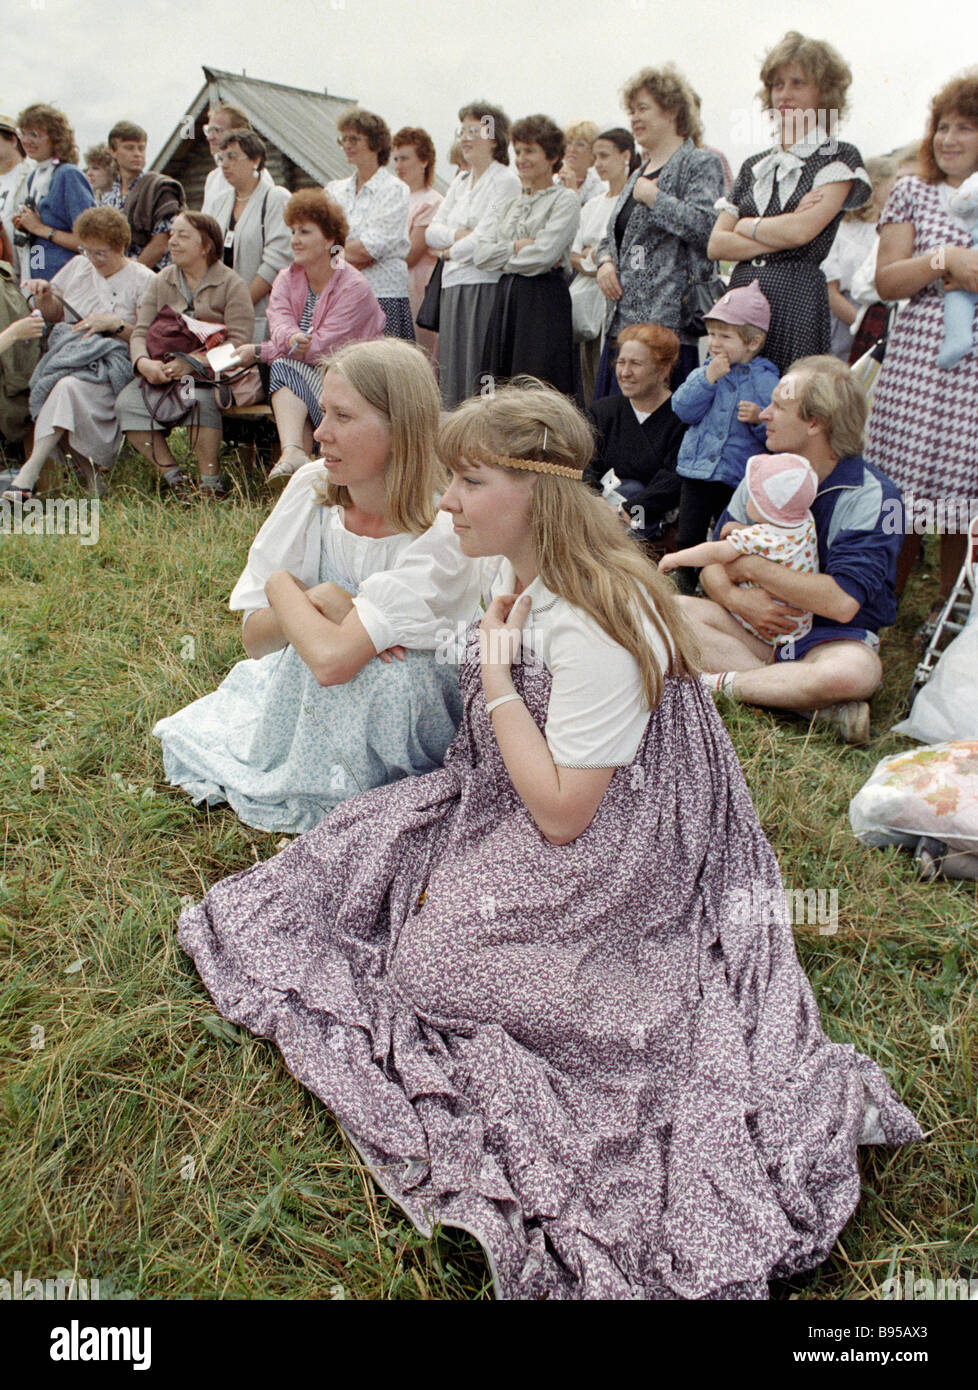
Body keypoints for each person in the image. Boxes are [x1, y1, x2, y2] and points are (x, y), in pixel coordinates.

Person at [177, 378, 920, 1301]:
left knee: (431, 968)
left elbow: (566, 813)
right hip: (515, 795)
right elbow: (425, 627)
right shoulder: (509, 563)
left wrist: (491, 678)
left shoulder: (595, 617)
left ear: (535, 493)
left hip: (614, 848)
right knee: (344, 864)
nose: (444, 501)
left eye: (467, 482)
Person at [153, 339, 489, 833]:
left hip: (406, 707)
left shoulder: (442, 529)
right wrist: (310, 597)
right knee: (319, 655)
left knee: (388, 677)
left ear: (402, 428)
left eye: (343, 417)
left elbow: (334, 661)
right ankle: (311, 776)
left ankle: (371, 792)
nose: (320, 433)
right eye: (322, 412)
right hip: (313, 691)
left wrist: (298, 594)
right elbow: (258, 642)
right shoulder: (313, 493)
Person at [677, 356, 903, 745]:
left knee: (853, 673)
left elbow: (842, 602)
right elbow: (711, 561)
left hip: (832, 639)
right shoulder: (764, 471)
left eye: (779, 406)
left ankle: (715, 684)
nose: (764, 414)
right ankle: (809, 704)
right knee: (665, 610)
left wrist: (751, 567)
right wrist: (734, 597)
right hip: (753, 628)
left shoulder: (879, 497)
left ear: (815, 422)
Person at [865, 71, 978, 604]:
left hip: (972, 367)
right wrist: (943, 261)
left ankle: (951, 609)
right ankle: (883, 602)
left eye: (967, 128)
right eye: (943, 126)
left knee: (964, 494)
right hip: (917, 359)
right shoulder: (913, 191)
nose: (949, 139)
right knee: (899, 493)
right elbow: (888, 280)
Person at [707, 31, 871, 374]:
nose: (784, 94)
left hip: (796, 297)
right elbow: (716, 245)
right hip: (740, 297)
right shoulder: (755, 164)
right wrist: (776, 234)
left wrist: (745, 226)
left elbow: (801, 232)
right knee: (730, 401)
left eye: (798, 83)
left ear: (824, 91)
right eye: (777, 84)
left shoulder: (838, 157)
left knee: (791, 398)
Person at [232, 189, 386, 489]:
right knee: (287, 367)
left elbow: (325, 349)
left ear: (329, 240)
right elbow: (279, 324)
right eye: (292, 231)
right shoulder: (286, 278)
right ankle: (297, 465)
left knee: (285, 366)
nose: (295, 239)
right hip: (308, 378)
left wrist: (259, 351)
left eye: (305, 231)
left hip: (354, 382)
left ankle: (294, 459)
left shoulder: (352, 284)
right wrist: (288, 338)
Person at [2, 207, 154, 502]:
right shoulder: (78, 266)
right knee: (63, 385)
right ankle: (87, 478)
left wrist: (115, 324)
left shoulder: (143, 279)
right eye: (88, 250)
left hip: (111, 365)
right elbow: (54, 315)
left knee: (65, 387)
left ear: (120, 247)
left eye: (101, 253)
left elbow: (149, 336)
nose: (94, 260)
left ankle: (27, 475)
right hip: (70, 355)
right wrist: (44, 293)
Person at [595, 65, 725, 394]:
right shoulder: (640, 171)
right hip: (622, 330)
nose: (634, 118)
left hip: (666, 332)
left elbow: (708, 228)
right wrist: (605, 261)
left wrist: (656, 199)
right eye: (631, 110)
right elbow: (613, 238)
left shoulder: (699, 163)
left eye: (643, 108)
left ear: (672, 111)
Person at [114, 211, 254, 502]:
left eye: (182, 235)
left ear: (206, 246)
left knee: (198, 401)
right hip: (162, 370)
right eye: (172, 234)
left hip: (206, 375)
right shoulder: (162, 280)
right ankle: (176, 480)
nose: (172, 242)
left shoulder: (231, 284)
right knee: (128, 403)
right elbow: (140, 332)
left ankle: (210, 484)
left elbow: (238, 345)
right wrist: (143, 364)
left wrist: (193, 363)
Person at [669, 283, 779, 594]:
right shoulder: (706, 371)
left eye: (725, 336)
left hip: (735, 475)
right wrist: (707, 380)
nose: (715, 343)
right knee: (687, 533)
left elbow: (777, 430)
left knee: (729, 536)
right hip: (697, 470)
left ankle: (719, 586)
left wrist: (759, 418)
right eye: (713, 334)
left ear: (753, 342)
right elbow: (682, 409)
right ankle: (684, 582)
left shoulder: (766, 379)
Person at [660, 451, 820, 651]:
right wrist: (744, 529)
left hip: (764, 627)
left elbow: (715, 553)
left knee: (683, 620)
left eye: (753, 497)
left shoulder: (755, 538)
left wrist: (675, 558)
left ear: (767, 510)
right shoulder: (806, 522)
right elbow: (775, 535)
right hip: (798, 628)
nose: (747, 500)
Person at [474, 114, 580, 395]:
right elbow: (480, 255)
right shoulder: (510, 203)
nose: (521, 158)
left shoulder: (565, 199)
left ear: (552, 156)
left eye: (530, 150)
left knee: (536, 381)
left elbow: (543, 256)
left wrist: (508, 257)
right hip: (507, 298)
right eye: (518, 151)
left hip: (542, 301)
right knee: (500, 384)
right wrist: (515, 247)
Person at [424, 101, 520, 407]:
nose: (464, 138)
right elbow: (431, 230)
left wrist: (450, 249)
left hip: (484, 284)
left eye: (473, 131)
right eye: (462, 131)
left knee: (479, 368)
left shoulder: (505, 181)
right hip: (452, 286)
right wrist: (456, 236)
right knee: (453, 372)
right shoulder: (460, 182)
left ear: (493, 137)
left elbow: (487, 235)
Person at [585, 322, 687, 548]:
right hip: (599, 511)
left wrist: (627, 510)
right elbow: (585, 463)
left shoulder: (681, 418)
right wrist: (596, 502)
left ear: (663, 370)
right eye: (621, 362)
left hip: (648, 518)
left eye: (636, 364)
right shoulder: (603, 411)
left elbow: (674, 478)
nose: (624, 372)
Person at [326, 108, 413, 340]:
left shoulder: (395, 189)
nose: (346, 144)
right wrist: (349, 254)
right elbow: (323, 244)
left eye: (354, 138)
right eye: (343, 139)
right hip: (342, 293)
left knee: (385, 371)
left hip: (383, 294)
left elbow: (372, 246)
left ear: (376, 143)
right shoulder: (334, 190)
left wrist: (339, 254)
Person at [570, 127, 637, 402]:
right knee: (587, 379)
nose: (599, 164)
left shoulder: (633, 203)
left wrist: (597, 254)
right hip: (587, 304)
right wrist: (596, 259)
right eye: (596, 157)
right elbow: (573, 254)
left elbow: (626, 256)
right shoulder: (592, 205)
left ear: (626, 156)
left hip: (617, 301)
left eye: (605, 156)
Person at [208, 129, 291, 343]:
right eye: (221, 158)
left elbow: (276, 262)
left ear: (255, 160)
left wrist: (239, 306)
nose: (224, 165)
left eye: (232, 157)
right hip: (220, 316)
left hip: (262, 316)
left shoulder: (276, 198)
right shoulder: (219, 202)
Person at [821, 155, 897, 361]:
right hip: (846, 319)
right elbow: (830, 293)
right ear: (876, 186)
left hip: (884, 316)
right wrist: (863, 323)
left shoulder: (892, 228)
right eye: (894, 184)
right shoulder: (839, 228)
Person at [11, 104, 94, 281]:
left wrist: (41, 229)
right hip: (38, 276)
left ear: (56, 139)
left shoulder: (68, 174)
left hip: (67, 282)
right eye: (24, 133)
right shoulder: (34, 176)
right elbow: (38, 241)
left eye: (35, 135)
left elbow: (91, 241)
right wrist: (26, 226)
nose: (26, 140)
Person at [392, 126, 443, 366]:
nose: (399, 165)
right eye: (396, 158)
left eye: (405, 158)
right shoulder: (392, 200)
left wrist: (374, 251)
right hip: (392, 283)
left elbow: (411, 253)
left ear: (424, 161)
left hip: (418, 285)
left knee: (420, 353)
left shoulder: (431, 202)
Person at [101, 121, 183, 270]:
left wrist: (131, 275)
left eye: (141, 148)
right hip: (117, 273)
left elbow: (161, 242)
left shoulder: (159, 188)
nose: (137, 153)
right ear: (113, 151)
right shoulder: (108, 197)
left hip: (157, 275)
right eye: (129, 148)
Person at [200, 103, 271, 216]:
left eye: (217, 130)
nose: (210, 137)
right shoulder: (213, 178)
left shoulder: (257, 176)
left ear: (238, 133)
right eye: (208, 130)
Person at [0, 116, 34, 277]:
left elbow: (38, 237)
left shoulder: (32, 176)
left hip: (24, 275)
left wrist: (37, 272)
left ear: (13, 140)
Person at [557, 120, 606, 203]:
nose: (572, 149)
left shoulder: (600, 189)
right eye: (568, 143)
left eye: (580, 144)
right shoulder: (552, 181)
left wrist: (573, 191)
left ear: (593, 152)